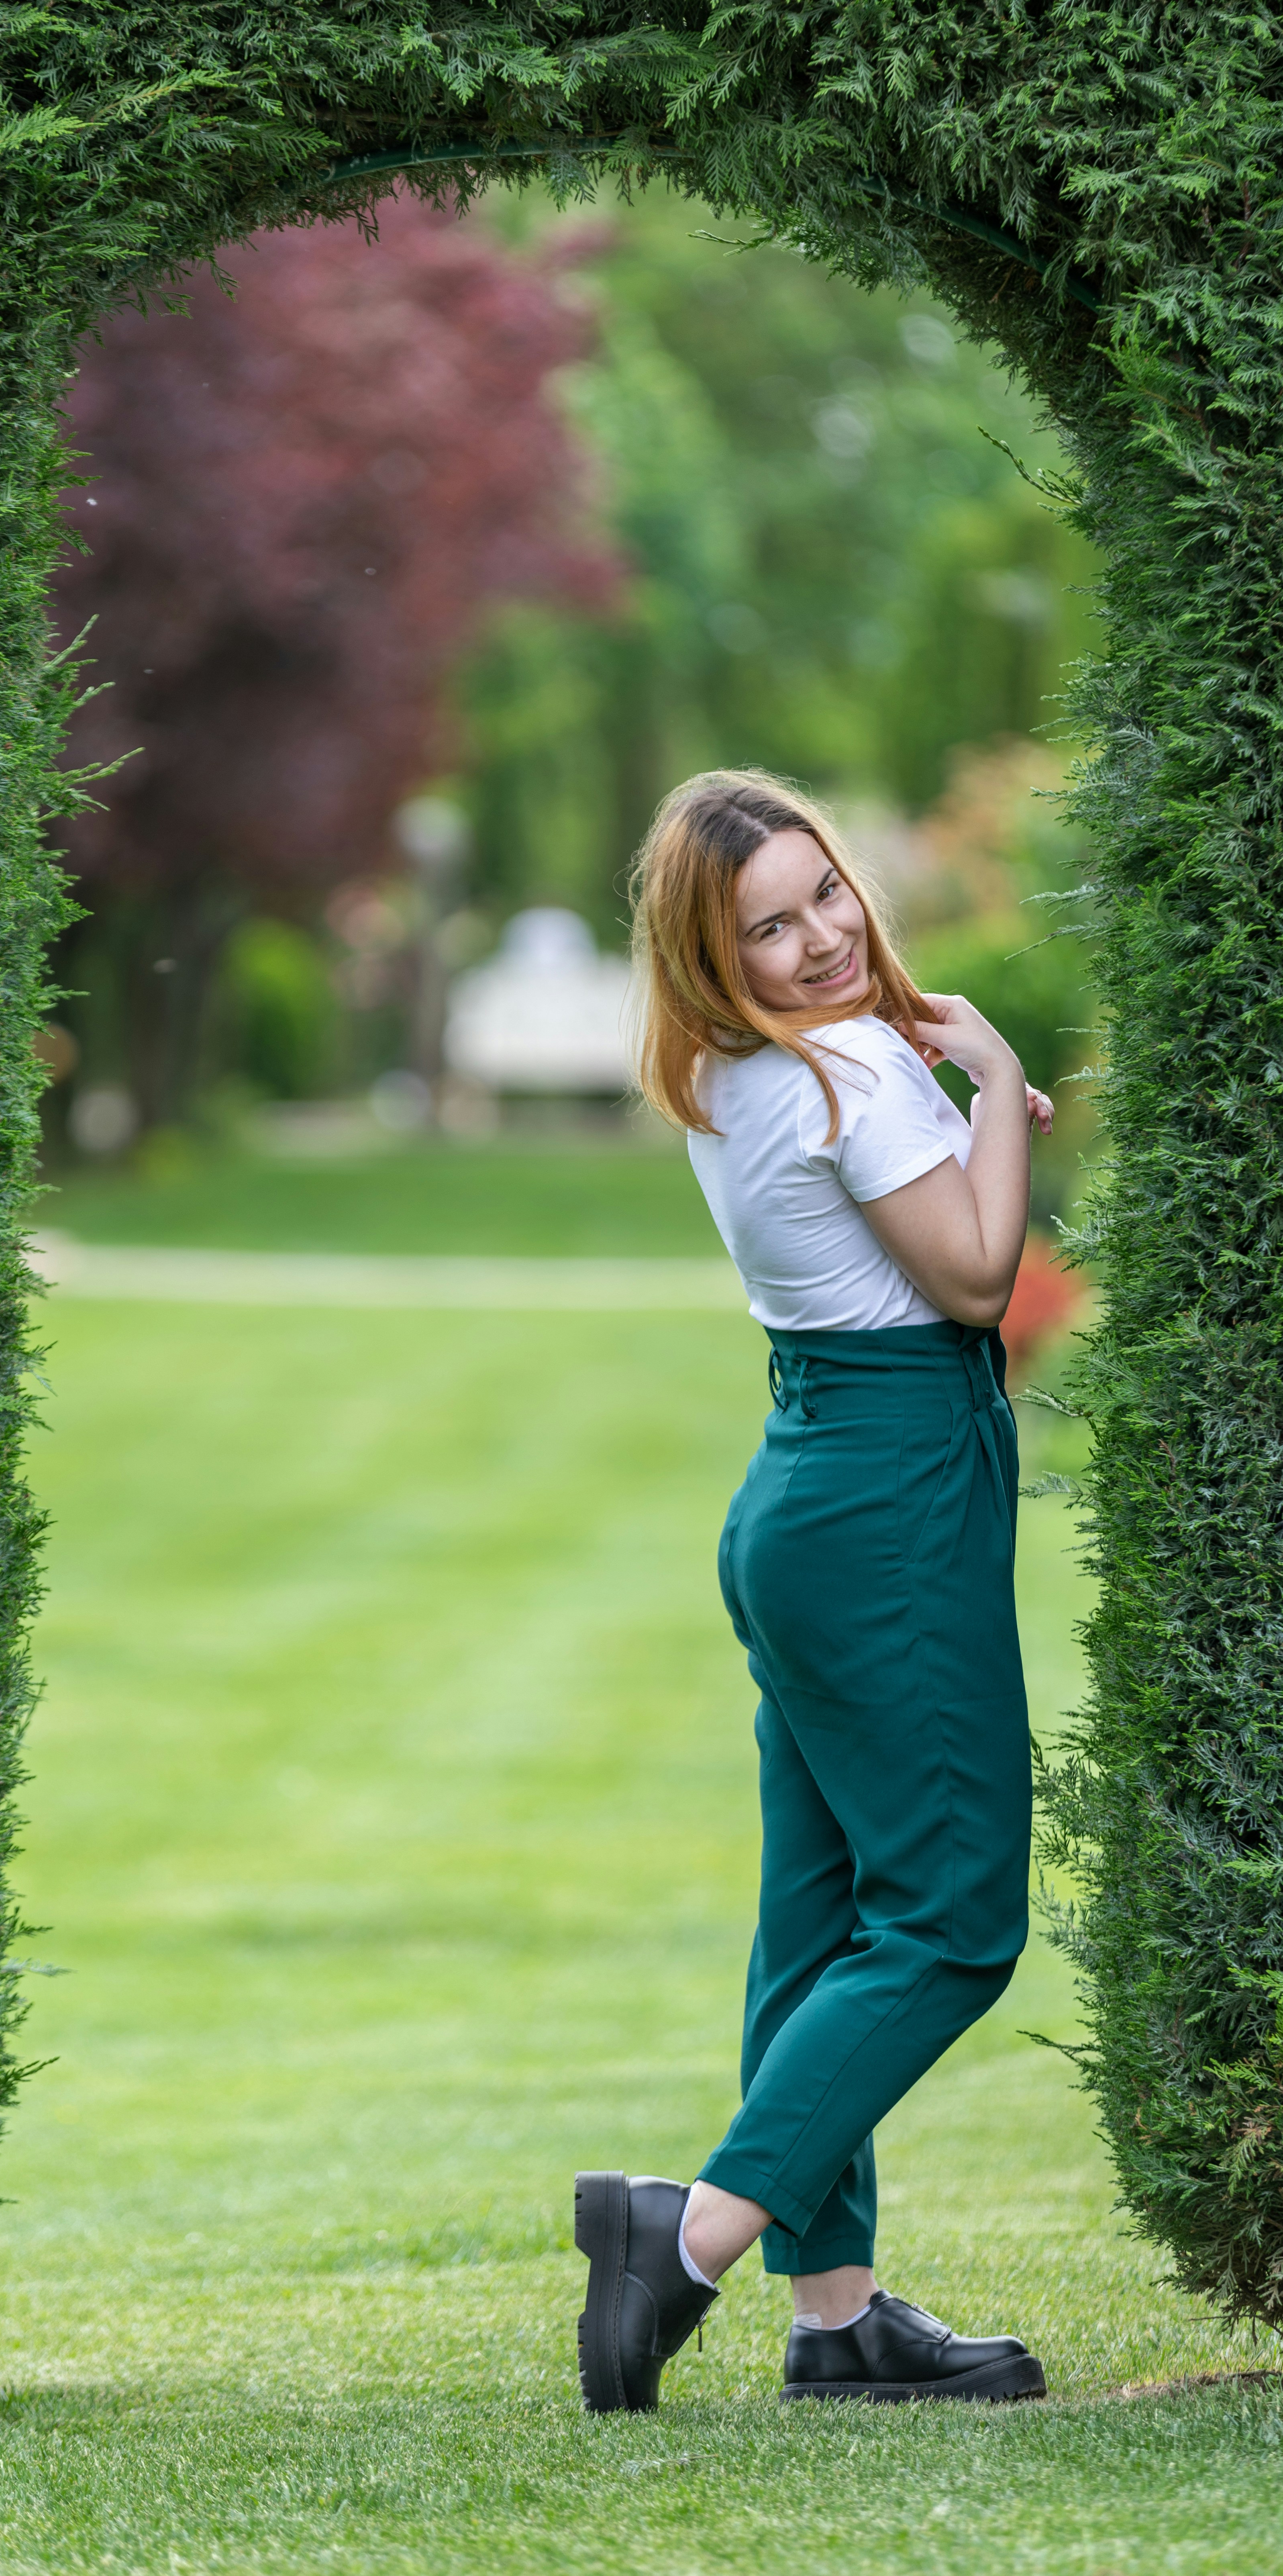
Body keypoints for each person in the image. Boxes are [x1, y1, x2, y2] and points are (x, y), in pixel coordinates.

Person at [576, 770, 1053, 2412]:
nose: (814, 940)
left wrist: (940, 1083)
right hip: (890, 1503)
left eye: (822, 896)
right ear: (713, 954)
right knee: (950, 1915)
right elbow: (981, 1274)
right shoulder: (855, 1065)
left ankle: (836, 2314)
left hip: (809, 1492)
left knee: (825, 1912)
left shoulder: (728, 1072)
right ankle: (688, 2236)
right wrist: (988, 1074)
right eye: (764, 927)